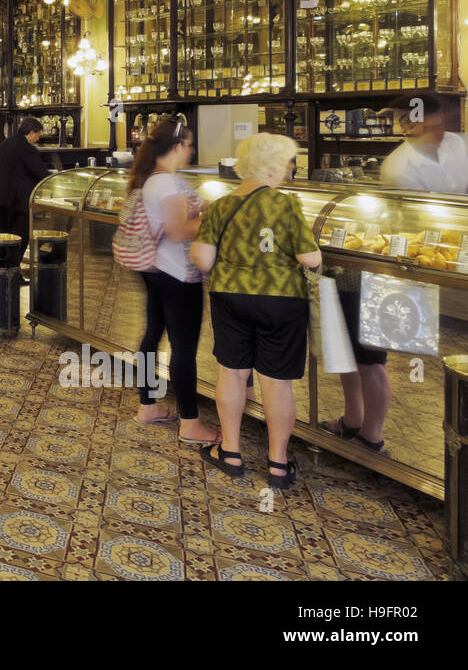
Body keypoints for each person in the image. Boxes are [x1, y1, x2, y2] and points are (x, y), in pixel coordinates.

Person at [191, 133, 322, 489]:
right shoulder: (287, 204)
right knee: (277, 384)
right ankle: (278, 463)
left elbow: (202, 258)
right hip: (282, 300)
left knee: (231, 373)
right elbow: (311, 259)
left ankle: (230, 452)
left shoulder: (221, 205)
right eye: (287, 163)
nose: (289, 169)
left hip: (230, 298)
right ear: (274, 166)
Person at [126, 118, 218, 445]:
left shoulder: (153, 179)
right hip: (178, 273)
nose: (192, 151)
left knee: (154, 334)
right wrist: (214, 216)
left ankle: (147, 405)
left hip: (156, 270)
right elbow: (179, 230)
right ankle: (191, 423)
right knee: (183, 347)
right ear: (177, 147)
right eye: (190, 145)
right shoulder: (166, 183)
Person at [0, 118, 49, 274]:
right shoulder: (27, 149)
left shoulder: (6, 143)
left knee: (3, 234)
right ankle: (12, 273)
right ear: (31, 133)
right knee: (19, 238)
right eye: (38, 135)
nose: (37, 139)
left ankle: (0, 273)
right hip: (18, 200)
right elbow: (41, 173)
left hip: (1, 196)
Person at [381, 93, 468, 193]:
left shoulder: (456, 141)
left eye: (439, 126)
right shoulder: (398, 169)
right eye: (428, 129)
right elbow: (416, 207)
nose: (437, 133)